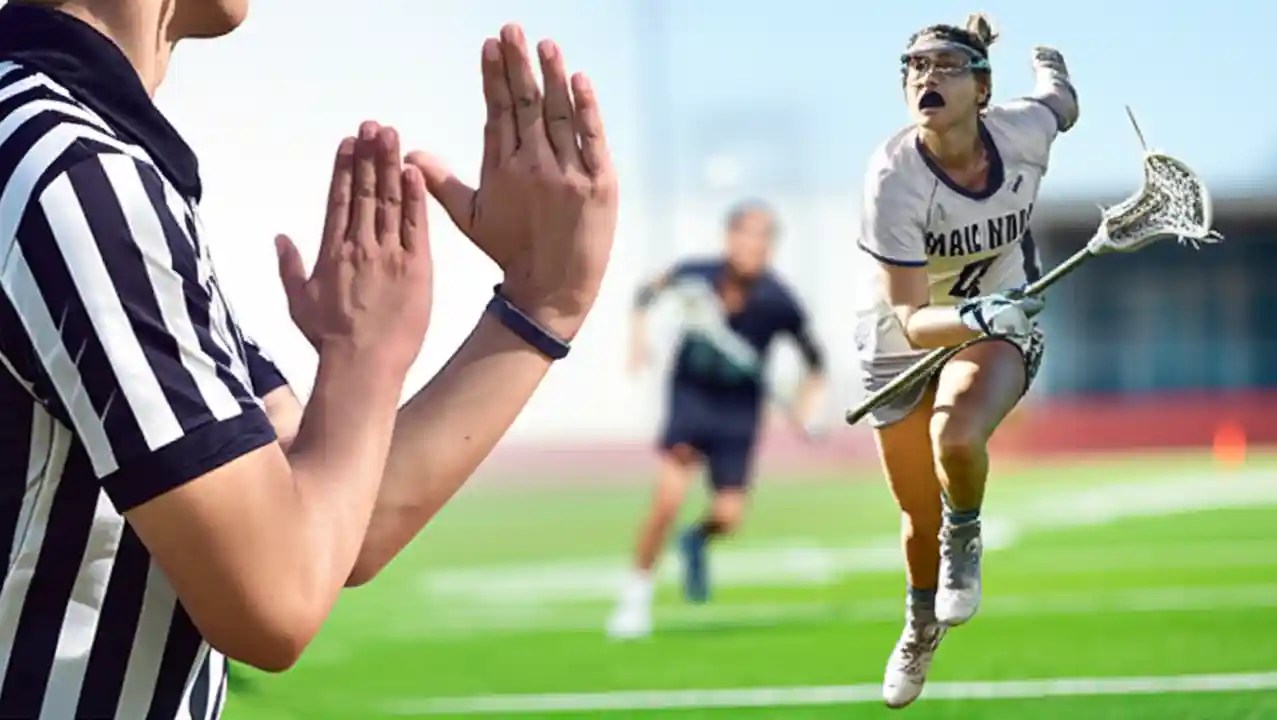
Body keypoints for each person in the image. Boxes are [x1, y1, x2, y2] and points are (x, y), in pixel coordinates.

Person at [0, 2, 618, 718]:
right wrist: (365, 352)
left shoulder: (53, 149)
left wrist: (542, 305)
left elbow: (327, 521)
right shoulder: (73, 176)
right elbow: (273, 595)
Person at [852, 12, 1079, 709]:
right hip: (906, 331)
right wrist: (975, 313)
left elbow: (1062, 105)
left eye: (946, 67)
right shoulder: (893, 178)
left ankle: (968, 535)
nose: (927, 78)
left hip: (998, 325)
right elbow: (916, 320)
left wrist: (1053, 69)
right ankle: (920, 624)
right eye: (915, 67)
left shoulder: (1021, 132)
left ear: (982, 90)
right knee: (916, 513)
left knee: (955, 433)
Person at [606, 200, 827, 640]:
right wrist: (637, 341)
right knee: (668, 498)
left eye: (762, 239)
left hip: (739, 410)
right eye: (745, 235)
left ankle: (696, 540)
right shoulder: (695, 274)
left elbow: (815, 364)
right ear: (729, 238)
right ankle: (635, 599)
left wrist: (806, 409)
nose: (752, 247)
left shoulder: (779, 301)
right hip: (691, 396)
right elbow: (645, 293)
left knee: (728, 516)